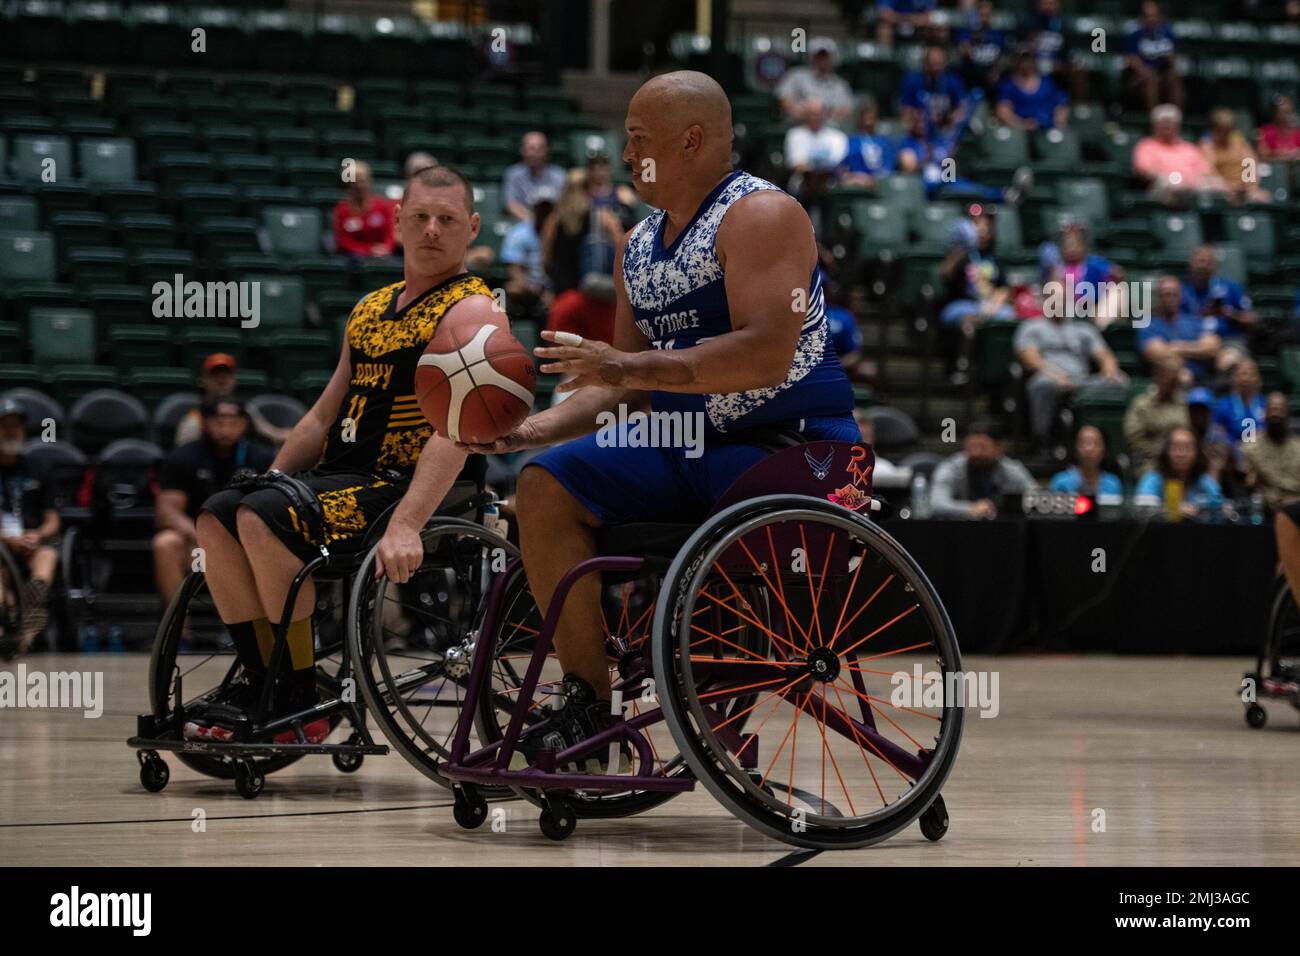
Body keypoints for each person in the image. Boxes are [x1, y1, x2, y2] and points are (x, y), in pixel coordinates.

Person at [462, 71, 858, 761]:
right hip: (686, 441)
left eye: (637, 140)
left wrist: (628, 366)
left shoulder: (763, 214)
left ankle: (716, 699)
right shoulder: (637, 248)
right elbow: (623, 386)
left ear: (690, 142)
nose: (624, 156)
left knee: (709, 526)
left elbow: (764, 355)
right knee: (543, 484)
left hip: (788, 448)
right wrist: (527, 430)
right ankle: (587, 703)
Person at [183, 165, 503, 743]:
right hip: (340, 475)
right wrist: (272, 478)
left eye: (448, 219)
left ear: (472, 228)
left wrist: (409, 523)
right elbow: (321, 416)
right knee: (218, 513)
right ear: (399, 219)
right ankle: (266, 680)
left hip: (407, 486)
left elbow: (460, 431)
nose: (432, 229)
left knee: (262, 518)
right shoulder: (370, 308)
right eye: (421, 217)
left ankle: (297, 696)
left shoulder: (473, 310)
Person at [153, 398, 274, 608]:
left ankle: (262, 632)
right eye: (219, 422)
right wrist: (204, 537)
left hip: (245, 544)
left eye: (233, 422)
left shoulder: (263, 458)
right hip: (198, 547)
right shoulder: (184, 456)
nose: (226, 428)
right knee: (165, 543)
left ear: (244, 424)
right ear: (205, 423)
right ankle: (181, 635)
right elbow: (167, 512)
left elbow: (272, 507)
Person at [1013, 305, 1126, 452]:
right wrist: (1057, 376)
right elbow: (1029, 358)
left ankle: (1110, 445)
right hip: (1050, 378)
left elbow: (1105, 355)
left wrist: (1110, 371)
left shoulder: (1084, 329)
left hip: (1082, 382)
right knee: (1041, 385)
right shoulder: (1032, 326)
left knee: (1121, 383)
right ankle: (1042, 441)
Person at [0, 399, 58, 659]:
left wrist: (39, 534)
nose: (12, 431)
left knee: (48, 555)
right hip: (1, 545)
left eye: (17, 426)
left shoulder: (38, 467)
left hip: (30, 542)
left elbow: (53, 519)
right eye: (5, 426)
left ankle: (26, 617)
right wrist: (6, 539)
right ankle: (10, 613)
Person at [542, 167, 626, 296]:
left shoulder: (553, 220)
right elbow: (622, 251)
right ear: (589, 189)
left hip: (563, 293)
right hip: (593, 294)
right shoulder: (603, 217)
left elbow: (546, 261)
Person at [930, 420, 1035, 519]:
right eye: (970, 447)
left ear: (999, 448)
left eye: (982, 447)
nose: (976, 453)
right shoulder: (951, 467)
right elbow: (936, 503)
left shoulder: (1012, 471)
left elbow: (1038, 500)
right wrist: (970, 508)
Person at [1133, 104, 1226, 204]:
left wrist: (1193, 181)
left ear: (1177, 125)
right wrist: (1170, 177)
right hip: (1163, 187)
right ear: (1155, 125)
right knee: (1173, 183)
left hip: (1192, 186)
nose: (1167, 126)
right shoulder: (1146, 146)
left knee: (1218, 184)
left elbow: (1206, 171)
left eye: (1171, 122)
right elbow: (1144, 170)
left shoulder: (1189, 148)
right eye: (1163, 122)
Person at [1138, 275, 1223, 383]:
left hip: (1202, 380)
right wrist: (1196, 351)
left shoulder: (1193, 321)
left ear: (1180, 297)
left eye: (1174, 294)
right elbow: (1156, 352)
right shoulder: (1149, 324)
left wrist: (1179, 348)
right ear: (1158, 297)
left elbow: (1212, 347)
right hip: (1165, 383)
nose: (1170, 298)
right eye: (1166, 294)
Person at [1181, 244, 1255, 368]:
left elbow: (1251, 319)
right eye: (1200, 261)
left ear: (1215, 266)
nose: (1204, 266)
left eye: (1209, 262)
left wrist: (1229, 313)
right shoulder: (1181, 291)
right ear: (1191, 263)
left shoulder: (1231, 287)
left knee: (1228, 362)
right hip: (1193, 342)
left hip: (1227, 341)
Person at [1038, 222, 1125, 326]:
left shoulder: (1095, 262)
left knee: (1118, 290)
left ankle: (1098, 330)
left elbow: (1118, 273)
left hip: (1094, 308)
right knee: (1056, 288)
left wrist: (1113, 275)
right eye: (1067, 245)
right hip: (1067, 309)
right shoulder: (1058, 267)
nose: (1071, 249)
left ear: (1083, 246)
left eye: (1075, 245)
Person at [1134, 426, 1223, 519]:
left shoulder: (1204, 481)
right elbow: (1141, 510)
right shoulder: (1152, 480)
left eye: (1188, 448)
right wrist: (1170, 509)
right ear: (1166, 451)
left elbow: (1219, 505)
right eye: (1176, 447)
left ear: (1197, 452)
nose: (1181, 454)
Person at [1123, 353, 1190, 470]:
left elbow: (1187, 431)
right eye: (1169, 381)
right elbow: (1134, 437)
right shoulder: (1142, 404)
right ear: (1157, 377)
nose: (1172, 386)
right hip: (1150, 459)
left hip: (1181, 458)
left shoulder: (1183, 403)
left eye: (1175, 382)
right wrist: (1161, 451)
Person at [500, 194, 555, 325]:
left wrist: (552, 291)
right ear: (535, 210)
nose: (545, 213)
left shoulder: (561, 231)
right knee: (512, 289)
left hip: (552, 286)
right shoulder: (520, 232)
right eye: (541, 209)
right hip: (528, 286)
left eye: (548, 210)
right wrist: (532, 288)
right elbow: (514, 269)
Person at [899, 46, 969, 145]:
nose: (935, 68)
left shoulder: (953, 82)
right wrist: (923, 118)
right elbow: (905, 112)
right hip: (919, 131)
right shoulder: (912, 81)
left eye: (938, 64)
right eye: (932, 63)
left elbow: (963, 108)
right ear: (924, 63)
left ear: (944, 64)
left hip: (946, 131)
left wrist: (948, 119)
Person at [1243, 392, 1300, 513]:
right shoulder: (1251, 449)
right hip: (1266, 511)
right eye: (1272, 409)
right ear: (1265, 413)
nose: (1276, 413)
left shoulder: (1298, 448)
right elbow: (1247, 485)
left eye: (1280, 409)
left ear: (1288, 414)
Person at [775, 39, 853, 127]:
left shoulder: (839, 84)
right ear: (812, 58)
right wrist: (803, 115)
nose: (822, 60)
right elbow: (783, 99)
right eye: (819, 56)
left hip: (827, 129)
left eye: (825, 57)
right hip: (798, 126)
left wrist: (825, 118)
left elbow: (847, 109)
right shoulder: (797, 75)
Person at [1123, 1, 1183, 112]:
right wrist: (1146, 72)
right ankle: (1154, 119)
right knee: (1151, 80)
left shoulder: (1167, 33)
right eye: (1148, 16)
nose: (1151, 19)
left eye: (1154, 15)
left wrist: (1170, 65)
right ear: (1142, 17)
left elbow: (1173, 57)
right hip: (1140, 78)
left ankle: (1176, 118)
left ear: (1159, 16)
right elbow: (1131, 59)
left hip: (1162, 75)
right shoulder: (1134, 34)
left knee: (1174, 79)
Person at [1201, 108, 1269, 205]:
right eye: (1221, 130)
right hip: (1221, 191)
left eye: (1228, 130)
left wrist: (1249, 187)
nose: (1225, 134)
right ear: (1214, 130)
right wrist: (1228, 189)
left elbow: (1250, 163)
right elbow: (1210, 171)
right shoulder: (1208, 146)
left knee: (1264, 198)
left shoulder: (1240, 143)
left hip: (1243, 190)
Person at [333, 160, 396, 259]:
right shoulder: (342, 210)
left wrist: (386, 248)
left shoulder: (382, 206)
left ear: (369, 181)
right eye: (355, 181)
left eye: (362, 180)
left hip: (382, 257)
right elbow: (343, 242)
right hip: (353, 259)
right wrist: (368, 250)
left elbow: (390, 234)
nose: (359, 185)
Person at [175, 352, 240, 447]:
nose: (221, 380)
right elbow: (183, 456)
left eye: (226, 375)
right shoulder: (195, 418)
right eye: (215, 375)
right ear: (204, 380)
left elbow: (269, 436)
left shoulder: (246, 410)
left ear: (234, 380)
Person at [996, 48, 1068, 132]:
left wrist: (1057, 122)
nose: (1026, 63)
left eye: (1028, 59)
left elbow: (1060, 107)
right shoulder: (1008, 85)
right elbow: (1003, 110)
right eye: (1023, 60)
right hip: (1020, 129)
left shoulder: (1047, 83)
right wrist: (1021, 124)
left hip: (1046, 128)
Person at [503, 131, 566, 223]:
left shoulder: (560, 176)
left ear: (546, 151)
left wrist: (549, 224)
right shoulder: (513, 174)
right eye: (530, 148)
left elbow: (564, 205)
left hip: (553, 225)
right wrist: (533, 221)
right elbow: (511, 205)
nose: (534, 154)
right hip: (523, 224)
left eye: (539, 149)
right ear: (522, 151)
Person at [837, 100, 902, 187]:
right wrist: (855, 177)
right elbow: (843, 167)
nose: (868, 119)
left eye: (872, 116)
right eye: (865, 116)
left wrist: (873, 178)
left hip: (881, 185)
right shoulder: (851, 142)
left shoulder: (884, 142)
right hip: (857, 184)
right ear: (860, 119)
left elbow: (888, 166)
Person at [1049, 425, 1123, 498]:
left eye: (1095, 443)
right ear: (1076, 448)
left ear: (1103, 449)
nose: (1089, 449)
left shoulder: (1113, 484)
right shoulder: (1061, 482)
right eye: (1083, 442)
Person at [956, 0, 1009, 102]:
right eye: (981, 15)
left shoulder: (998, 34)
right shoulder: (967, 32)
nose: (984, 19)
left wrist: (997, 70)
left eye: (987, 15)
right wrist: (974, 36)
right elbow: (962, 51)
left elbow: (1003, 56)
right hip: (971, 77)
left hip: (992, 79)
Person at [1213, 357, 1267, 445]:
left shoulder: (1266, 405)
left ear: (1258, 379)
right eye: (1242, 374)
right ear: (1234, 378)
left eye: (1251, 374)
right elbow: (1218, 433)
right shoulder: (1224, 405)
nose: (1246, 378)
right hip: (1232, 453)